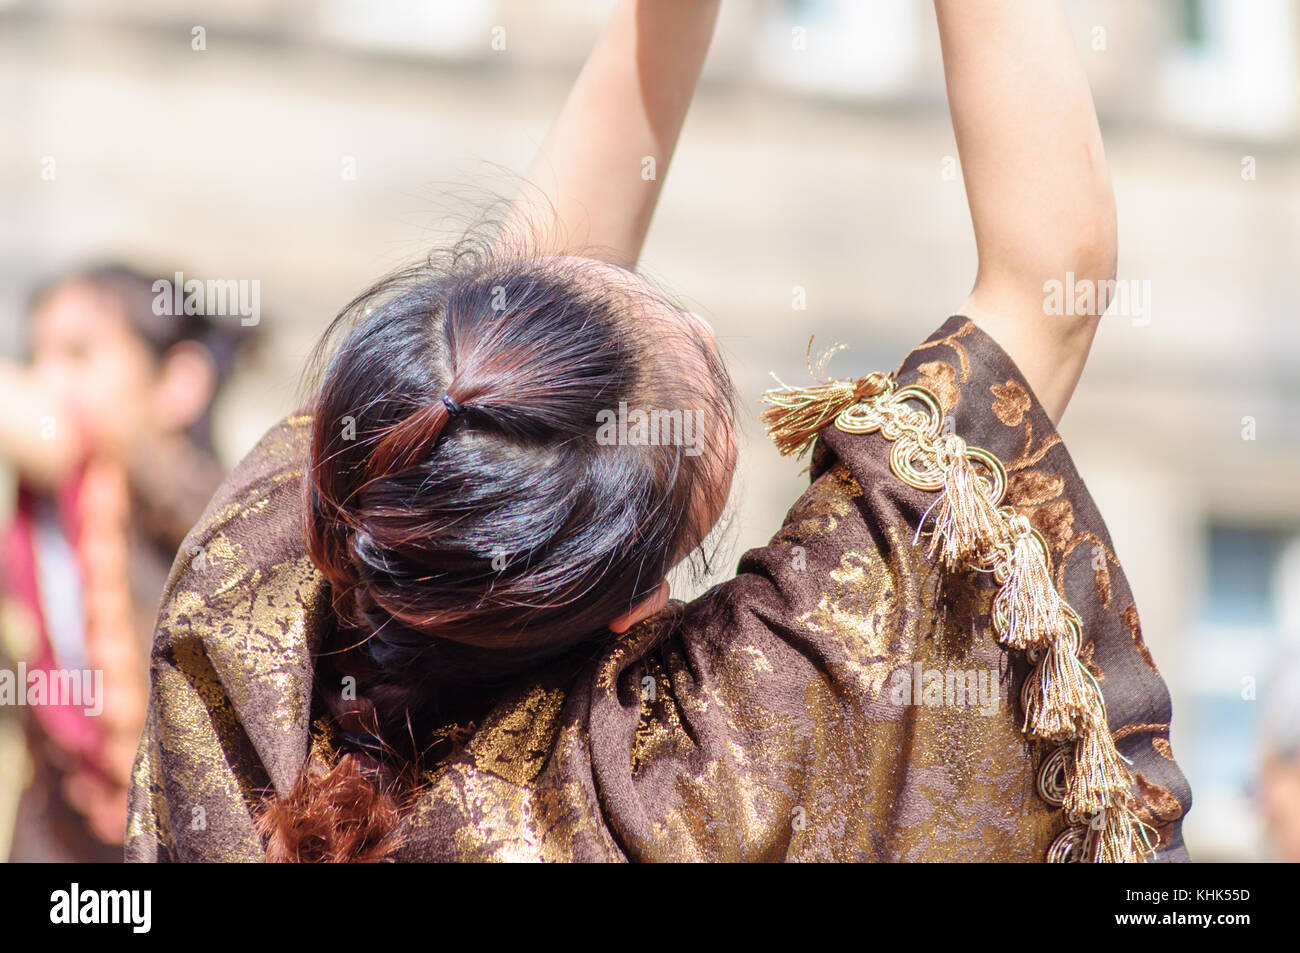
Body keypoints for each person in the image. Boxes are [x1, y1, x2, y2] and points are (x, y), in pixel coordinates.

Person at [126, 0, 1191, 862]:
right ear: (686, 518)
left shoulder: (250, 624)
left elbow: (478, 398)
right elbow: (1048, 276)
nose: (699, 321)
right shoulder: (705, 763)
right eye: (699, 357)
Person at [0, 264, 249, 861]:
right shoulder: (39, 519)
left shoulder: (207, 513)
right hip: (68, 828)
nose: (47, 380)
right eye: (37, 358)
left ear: (179, 383)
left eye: (78, 355)